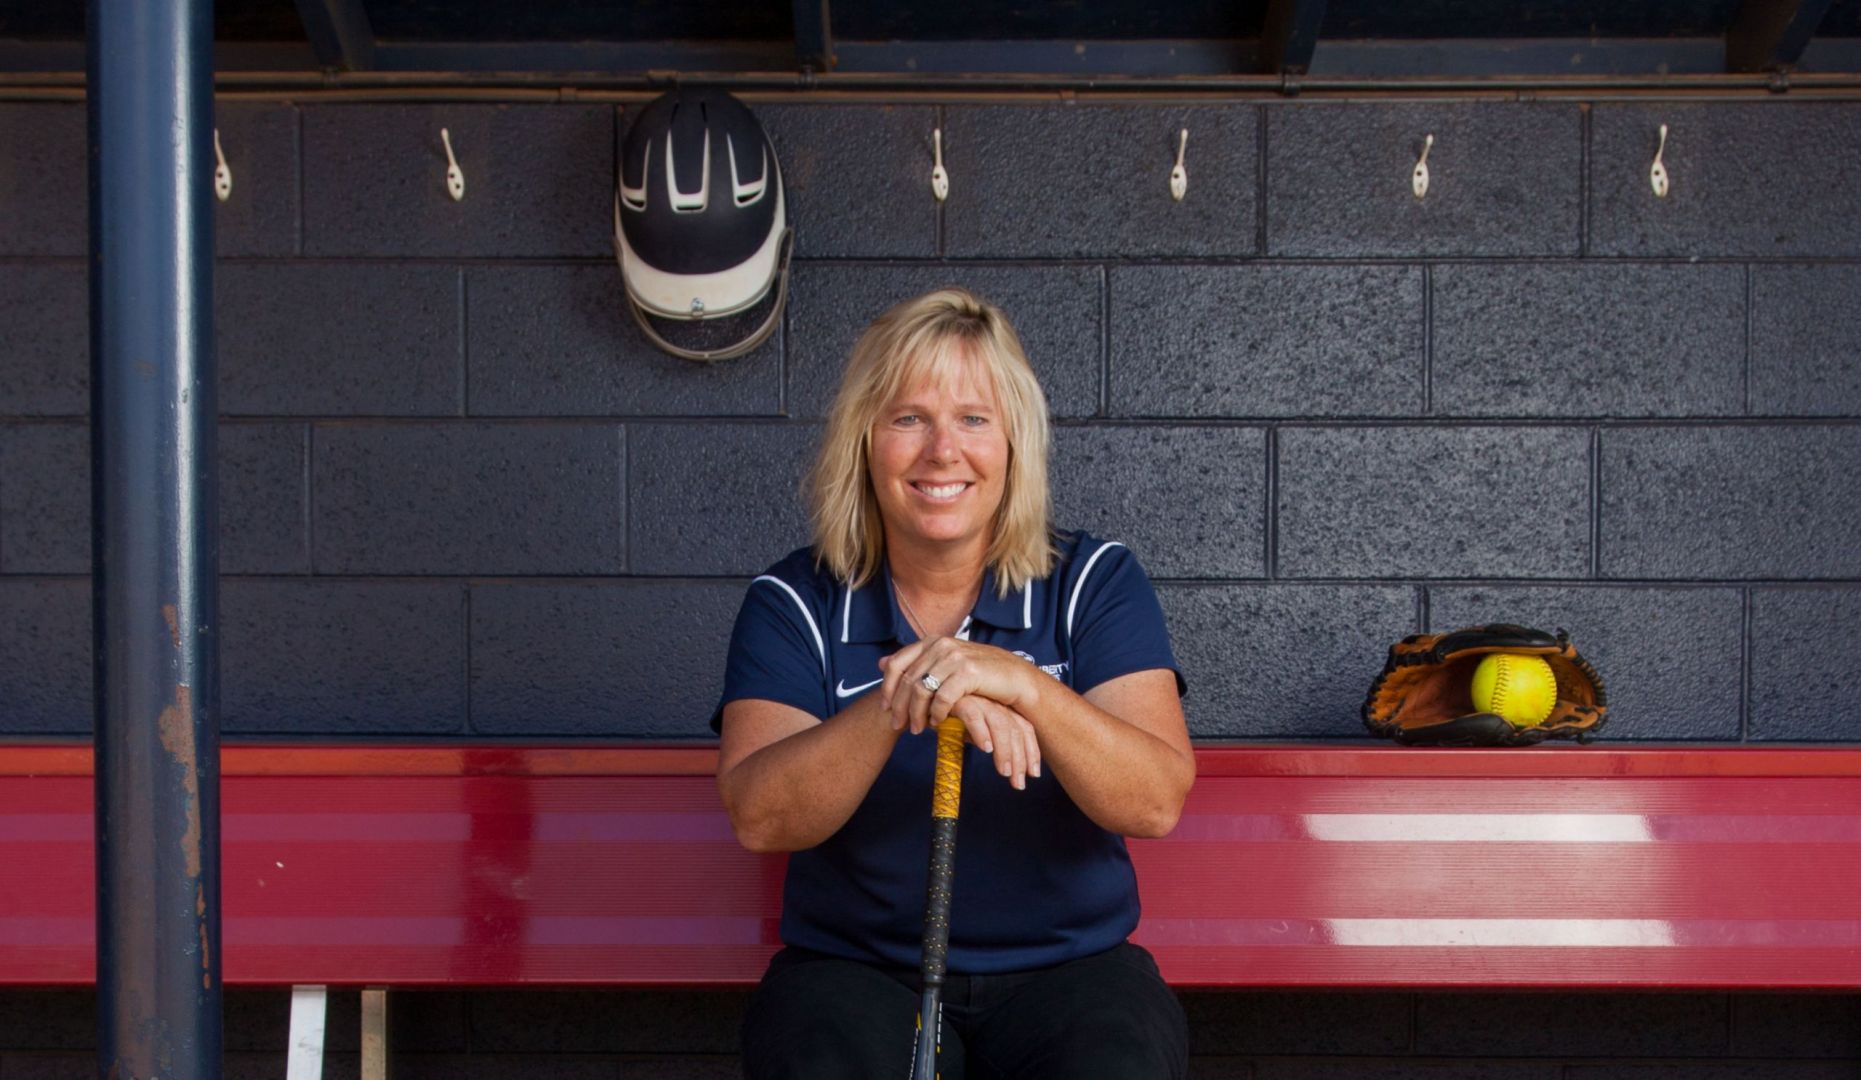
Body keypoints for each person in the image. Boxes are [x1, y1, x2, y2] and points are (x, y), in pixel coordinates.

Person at [713, 286, 1195, 1079]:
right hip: (857, 972)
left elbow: (1152, 801)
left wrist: (1020, 685)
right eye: (909, 418)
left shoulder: (1093, 580)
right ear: (863, 441)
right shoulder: (794, 599)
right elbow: (762, 818)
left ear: (1013, 443)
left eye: (973, 418)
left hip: (1070, 971)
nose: (943, 451)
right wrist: (912, 693)